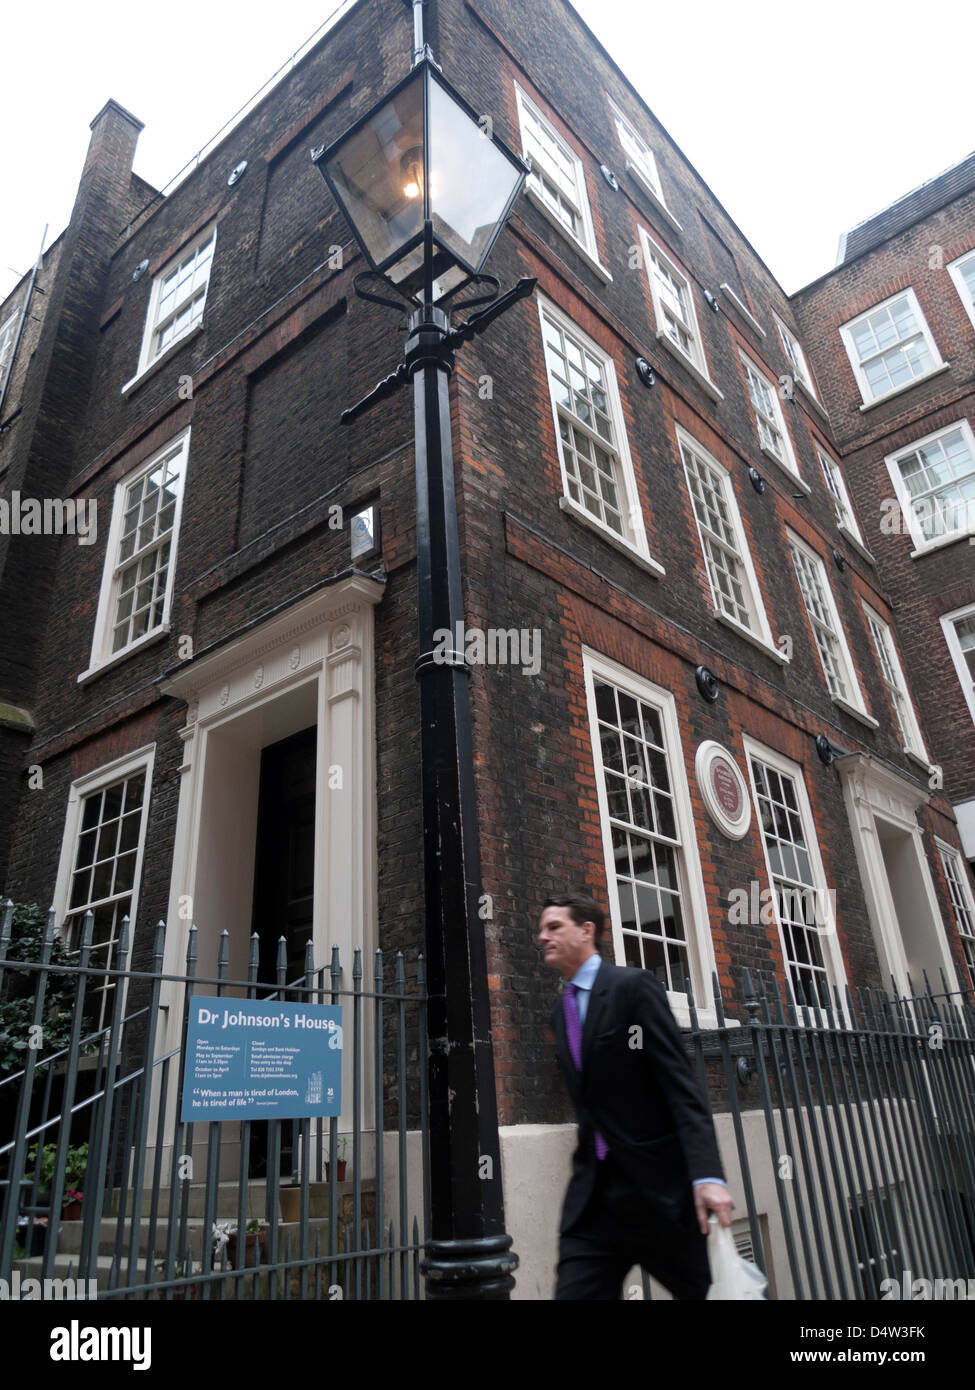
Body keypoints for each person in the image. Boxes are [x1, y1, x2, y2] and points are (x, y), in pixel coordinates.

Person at [539, 891, 733, 1300]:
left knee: (720, 1294)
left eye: (554, 926)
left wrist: (708, 1175)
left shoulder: (632, 988)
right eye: (542, 929)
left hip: (658, 1194)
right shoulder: (563, 1012)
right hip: (594, 1202)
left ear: (586, 930)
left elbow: (680, 1086)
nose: (543, 936)